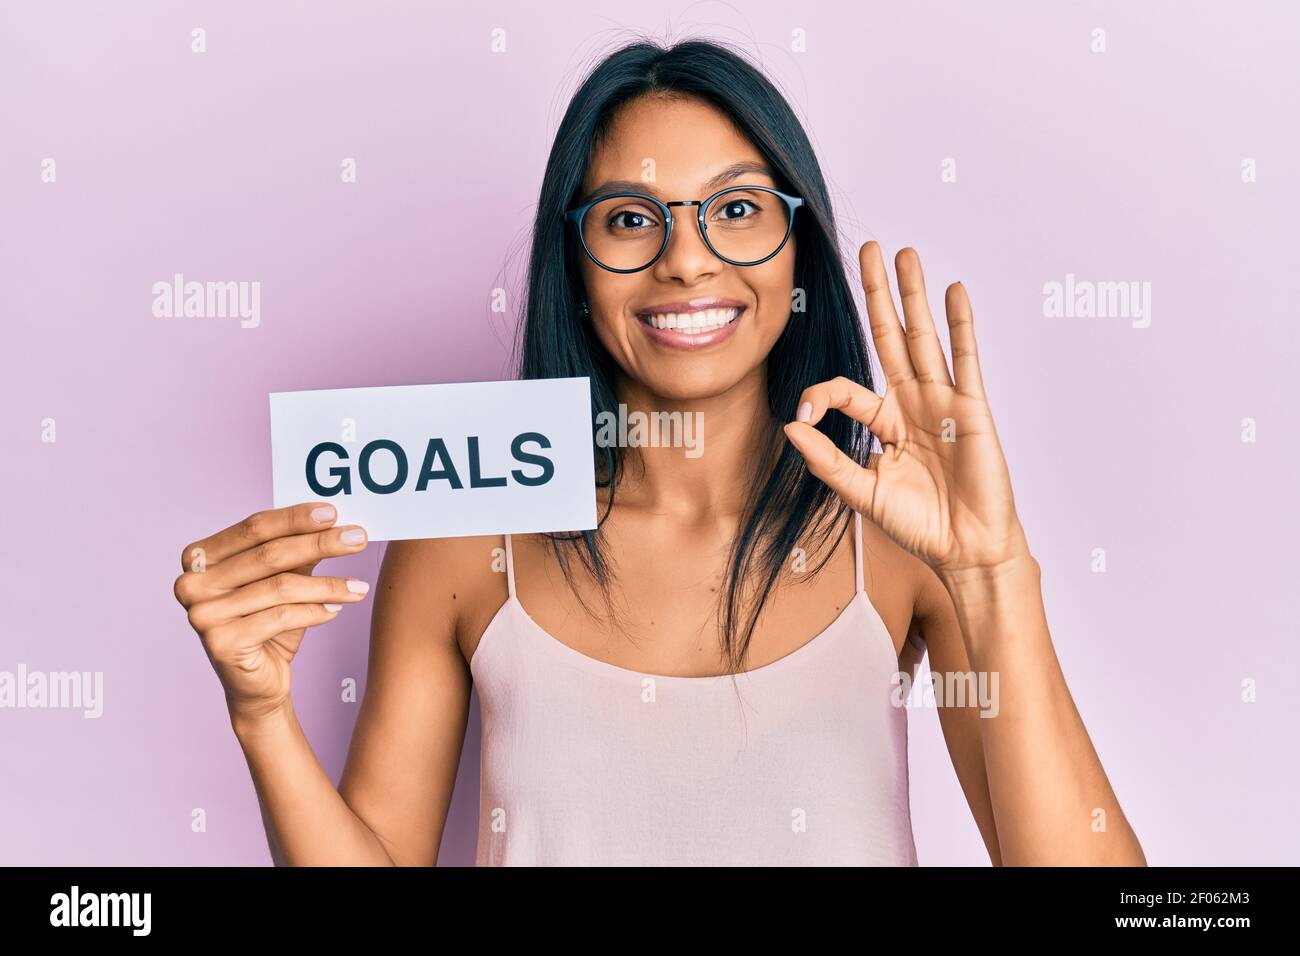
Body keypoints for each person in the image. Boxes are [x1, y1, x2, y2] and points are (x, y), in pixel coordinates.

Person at [172, 38, 1145, 866]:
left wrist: (993, 574)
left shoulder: (896, 539)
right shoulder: (466, 545)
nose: (685, 258)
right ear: (576, 261)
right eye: (632, 218)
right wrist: (262, 716)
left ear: (796, 246)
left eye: (735, 208)